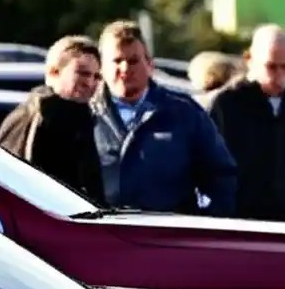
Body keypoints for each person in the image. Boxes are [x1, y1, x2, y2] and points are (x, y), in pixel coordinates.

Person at [91, 20, 237, 216]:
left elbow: (221, 175)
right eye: (117, 61)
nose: (125, 68)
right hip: (102, 236)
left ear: (150, 64)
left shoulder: (183, 113)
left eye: (134, 61)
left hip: (167, 236)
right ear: (101, 67)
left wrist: (205, 222)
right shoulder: (85, 114)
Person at [209, 24, 285, 224]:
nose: (279, 75)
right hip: (243, 224)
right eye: (271, 66)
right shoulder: (228, 106)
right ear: (250, 60)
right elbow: (212, 169)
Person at [0, 35, 105, 203]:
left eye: (97, 77)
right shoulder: (54, 120)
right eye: (82, 73)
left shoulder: (23, 114)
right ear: (54, 72)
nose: (90, 83)